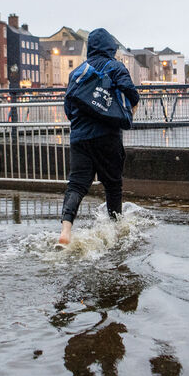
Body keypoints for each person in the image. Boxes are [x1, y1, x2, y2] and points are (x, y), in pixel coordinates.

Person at [58, 28, 140, 246]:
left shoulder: (76, 72)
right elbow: (132, 94)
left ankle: (66, 230)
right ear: (110, 47)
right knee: (113, 185)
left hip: (79, 138)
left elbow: (68, 108)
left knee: (76, 185)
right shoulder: (114, 66)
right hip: (107, 136)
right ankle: (115, 230)